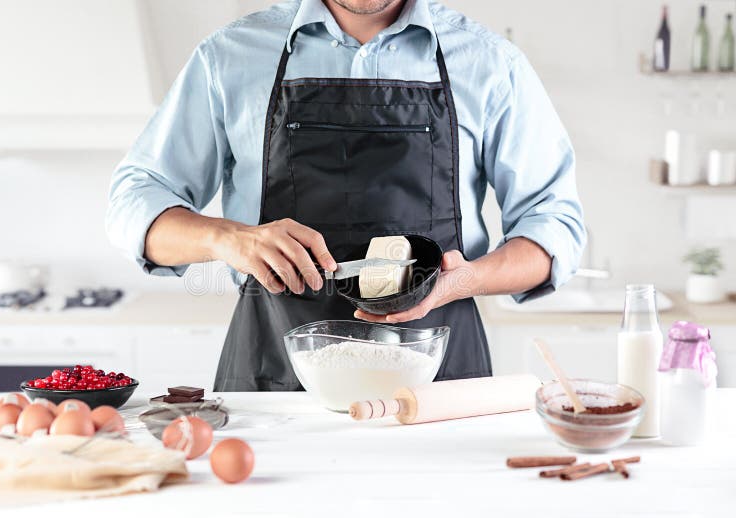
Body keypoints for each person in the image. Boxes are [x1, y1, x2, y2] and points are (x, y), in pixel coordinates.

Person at [106, 0, 586, 391]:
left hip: (437, 384)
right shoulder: (231, 55)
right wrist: (225, 238)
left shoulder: (489, 62)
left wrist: (464, 281)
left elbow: (555, 226)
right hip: (276, 379)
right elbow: (134, 200)